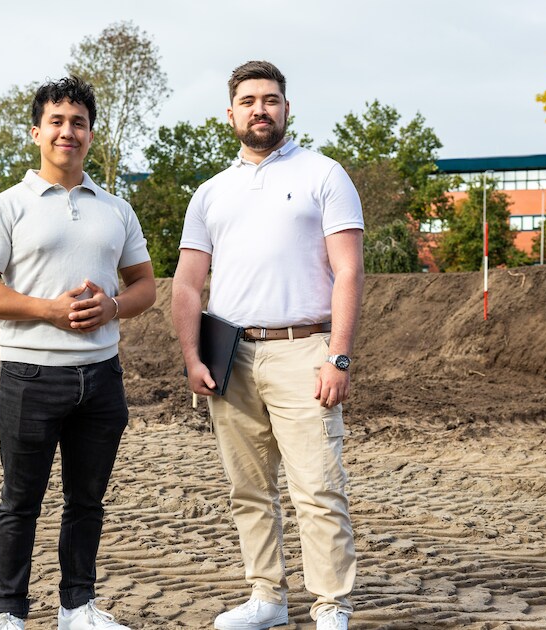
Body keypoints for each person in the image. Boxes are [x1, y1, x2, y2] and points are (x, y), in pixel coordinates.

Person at [171, 60, 364, 630]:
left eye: (272, 99)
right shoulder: (210, 193)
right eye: (250, 100)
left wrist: (339, 355)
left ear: (286, 108)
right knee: (248, 489)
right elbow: (186, 281)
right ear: (230, 114)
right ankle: (267, 599)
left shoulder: (324, 175)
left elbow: (349, 272)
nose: (261, 109)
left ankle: (331, 606)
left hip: (304, 351)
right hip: (231, 355)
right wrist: (191, 355)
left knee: (318, 488)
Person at [0, 76, 155, 630]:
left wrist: (114, 308)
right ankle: (9, 614)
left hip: (101, 378)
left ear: (91, 134)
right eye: (57, 121)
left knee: (86, 502)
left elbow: (145, 285)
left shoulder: (116, 210)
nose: (67, 131)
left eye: (78, 122)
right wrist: (48, 310)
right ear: (36, 132)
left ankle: (76, 607)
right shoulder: (7, 207)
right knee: (19, 501)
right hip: (29, 375)